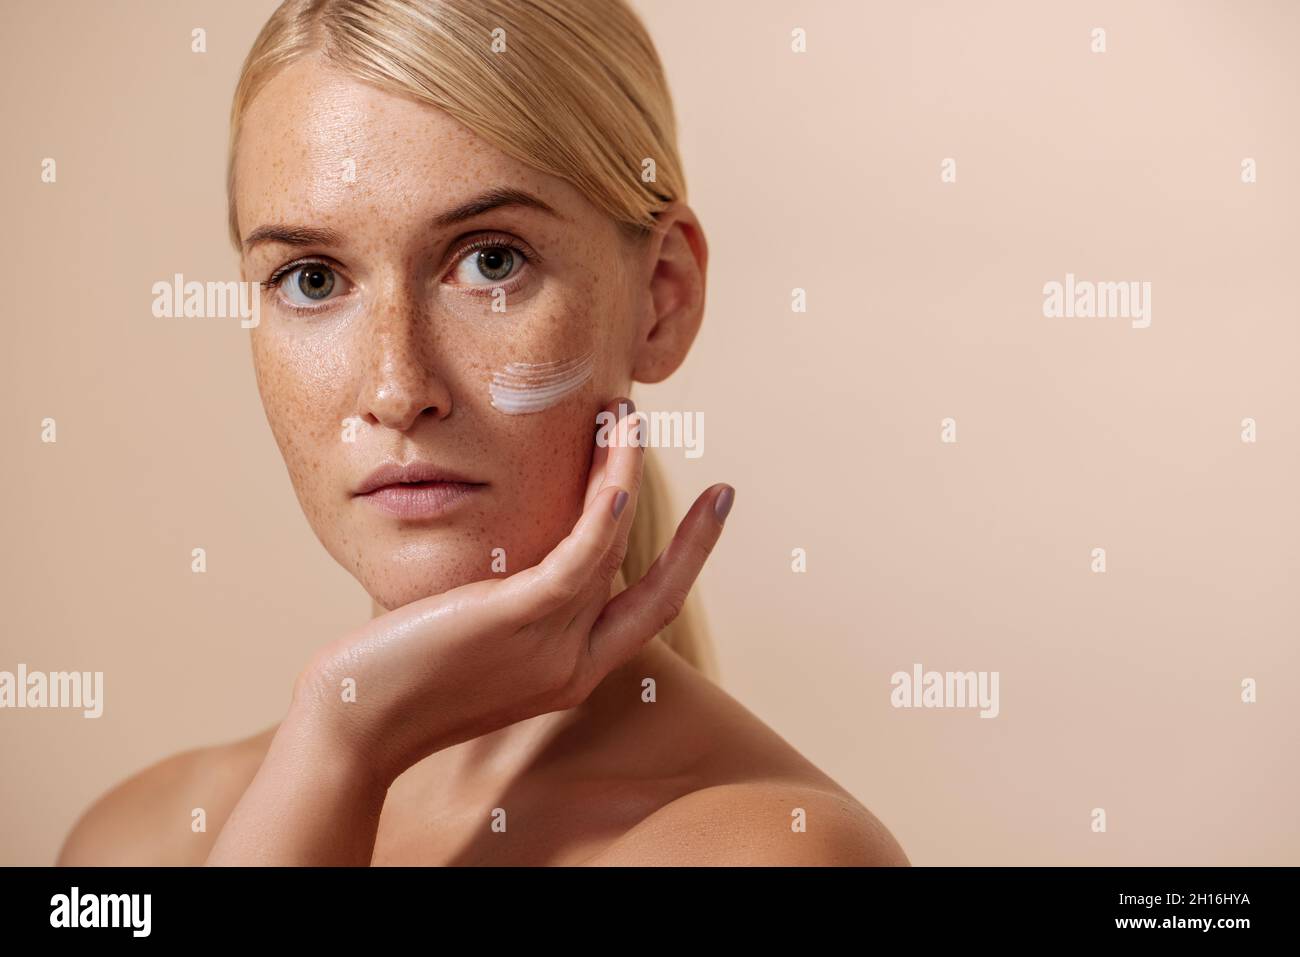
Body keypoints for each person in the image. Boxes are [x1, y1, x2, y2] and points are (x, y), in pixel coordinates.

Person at [56, 0, 908, 866]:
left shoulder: (771, 852)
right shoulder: (136, 845)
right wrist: (339, 739)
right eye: (312, 279)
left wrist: (346, 739)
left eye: (490, 260)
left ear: (661, 298)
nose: (397, 389)